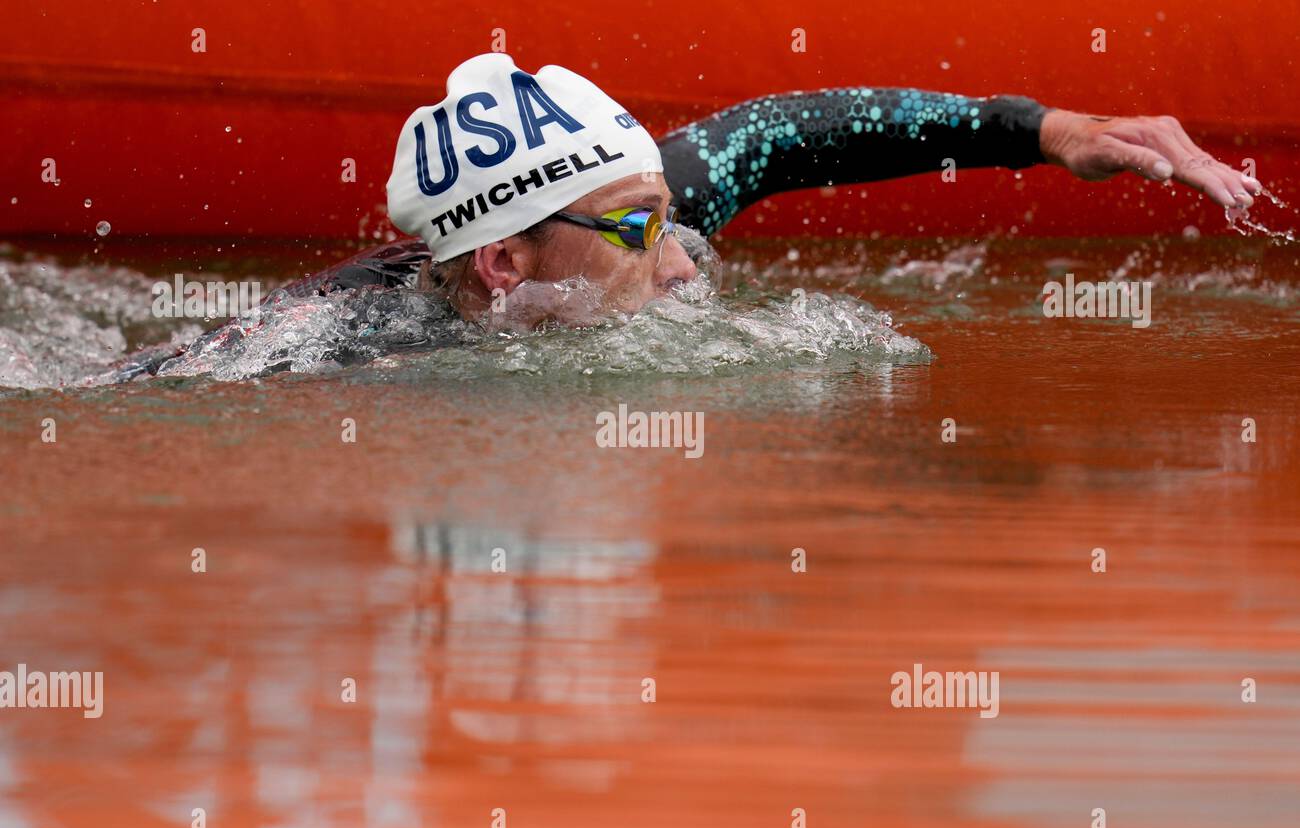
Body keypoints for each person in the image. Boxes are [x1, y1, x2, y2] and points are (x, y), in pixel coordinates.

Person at [122, 52, 1261, 378]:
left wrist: (1042, 130)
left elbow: (790, 129)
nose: (680, 266)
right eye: (635, 230)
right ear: (505, 262)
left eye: (668, 216)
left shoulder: (630, 202)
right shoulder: (335, 341)